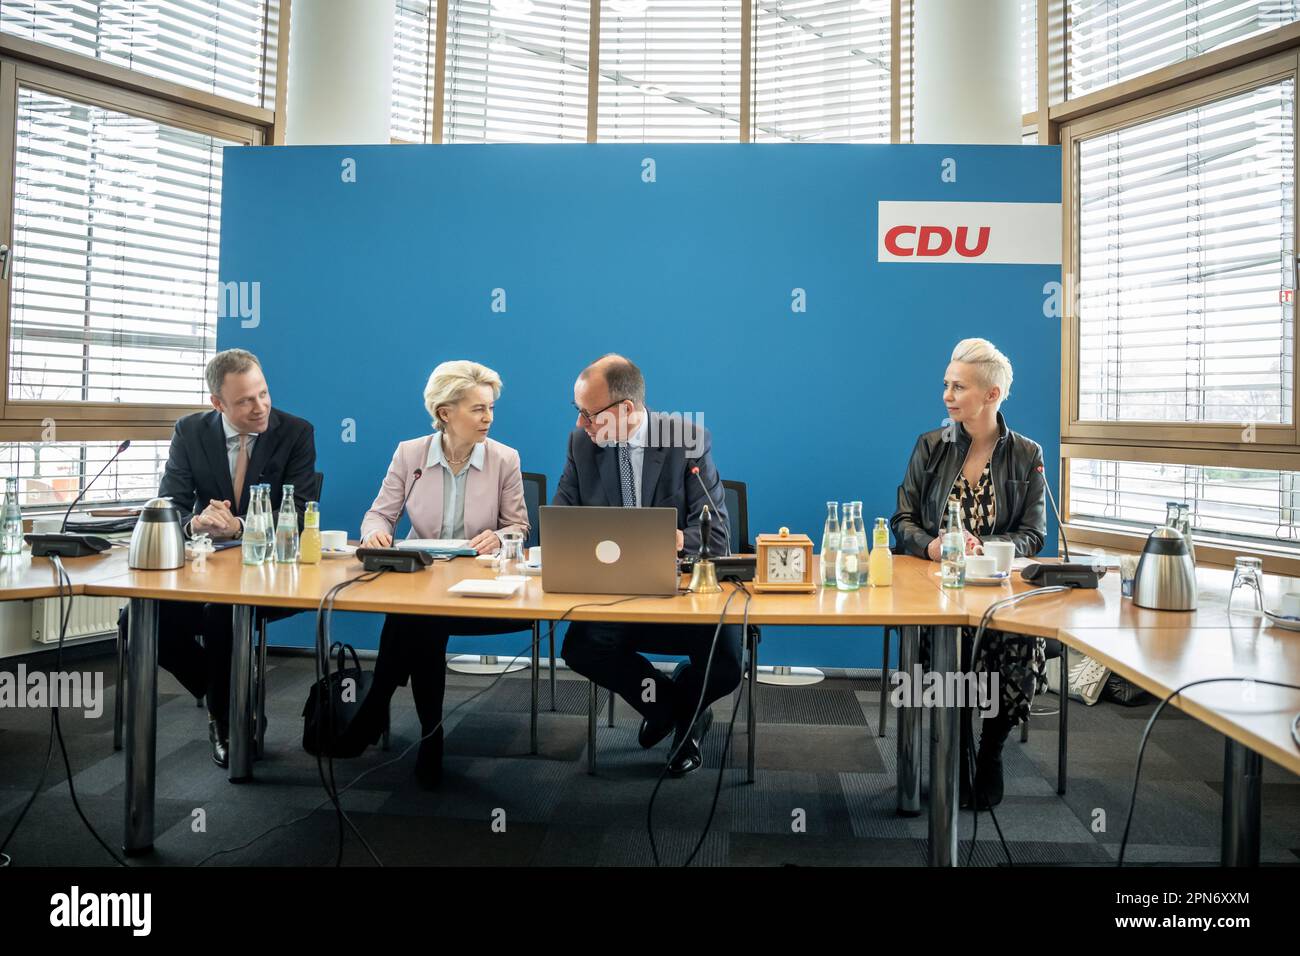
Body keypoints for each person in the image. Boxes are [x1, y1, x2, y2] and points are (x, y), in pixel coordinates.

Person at [118, 348, 317, 768]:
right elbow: (170, 502)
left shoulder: (296, 432)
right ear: (218, 404)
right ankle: (226, 692)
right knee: (135, 619)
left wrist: (240, 527)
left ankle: (226, 721)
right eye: (245, 400)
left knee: (221, 615)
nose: (260, 407)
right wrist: (196, 523)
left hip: (271, 575)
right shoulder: (190, 431)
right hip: (206, 572)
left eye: (263, 394)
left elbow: (299, 513)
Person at [342, 360, 529, 788]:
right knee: (420, 616)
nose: (489, 418)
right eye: (478, 409)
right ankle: (429, 735)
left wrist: (499, 538)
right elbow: (379, 514)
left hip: (478, 584)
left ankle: (380, 708)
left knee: (418, 621)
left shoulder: (504, 459)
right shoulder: (410, 454)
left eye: (491, 407)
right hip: (421, 575)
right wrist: (375, 535)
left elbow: (518, 525)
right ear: (446, 413)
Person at [555, 354, 738, 777]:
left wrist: (675, 539)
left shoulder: (687, 440)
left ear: (627, 410)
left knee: (727, 663)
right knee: (581, 647)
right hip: (616, 593)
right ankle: (679, 713)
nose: (582, 423)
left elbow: (716, 538)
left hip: (684, 594)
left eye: (589, 413)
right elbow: (562, 522)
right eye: (577, 412)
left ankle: (673, 710)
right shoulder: (581, 444)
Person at [890, 337, 1047, 808]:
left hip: (997, 587)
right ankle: (953, 745)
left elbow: (1033, 534)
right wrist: (934, 545)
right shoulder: (930, 446)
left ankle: (991, 749)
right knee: (942, 644)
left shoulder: (1027, 454)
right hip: (936, 587)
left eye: (958, 386)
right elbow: (903, 521)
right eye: (946, 384)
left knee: (1018, 639)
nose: (947, 395)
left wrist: (992, 549)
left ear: (992, 395)